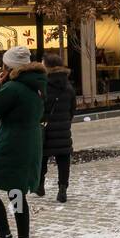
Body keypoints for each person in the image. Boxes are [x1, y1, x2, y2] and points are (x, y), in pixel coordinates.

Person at [0, 46, 46, 238]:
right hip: (29, 144)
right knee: (16, 192)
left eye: (4, 65)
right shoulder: (36, 85)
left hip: (11, 146)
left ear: (10, 67)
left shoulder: (14, 88)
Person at [36, 53, 76, 203]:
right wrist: (65, 121)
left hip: (45, 129)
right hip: (63, 129)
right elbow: (72, 109)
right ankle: (62, 189)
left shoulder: (42, 85)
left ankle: (39, 185)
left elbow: (38, 107)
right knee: (63, 159)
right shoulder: (68, 86)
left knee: (42, 157)